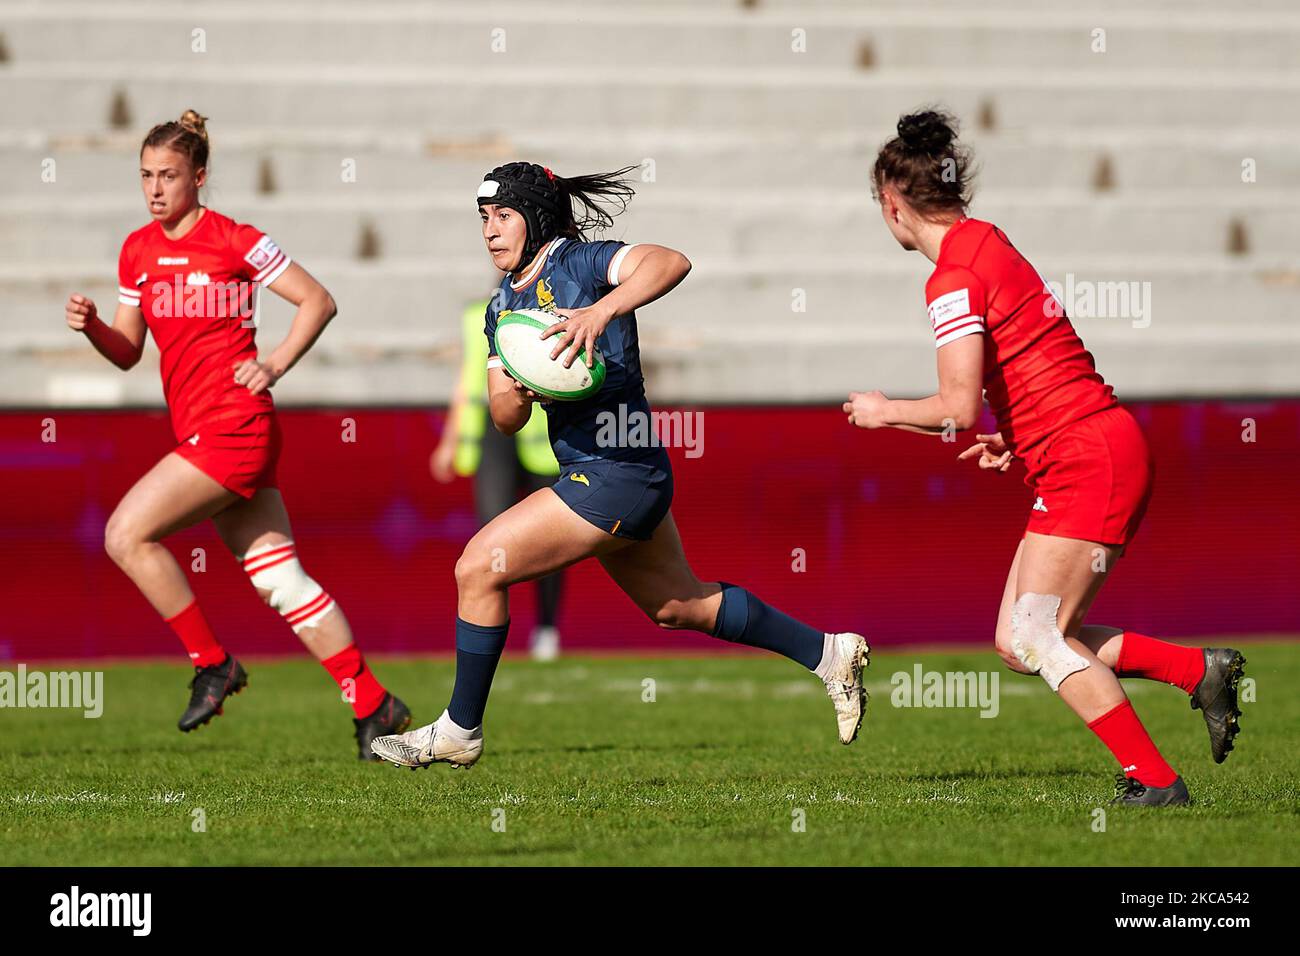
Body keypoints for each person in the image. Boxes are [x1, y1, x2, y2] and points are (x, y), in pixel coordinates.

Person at [372, 162, 868, 770]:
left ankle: (459, 730)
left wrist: (600, 312)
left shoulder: (578, 263)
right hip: (615, 472)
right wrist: (523, 389)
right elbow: (505, 418)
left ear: (535, 217)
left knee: (478, 567)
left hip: (617, 470)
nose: (490, 231)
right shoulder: (502, 307)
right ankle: (829, 653)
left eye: (503, 215)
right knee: (679, 606)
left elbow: (671, 262)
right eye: (483, 218)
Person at [844, 109, 1245, 806]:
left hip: (1087, 456)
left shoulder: (950, 279)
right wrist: (1020, 431)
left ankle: (1154, 782)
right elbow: (1032, 353)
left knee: (1036, 634)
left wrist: (885, 413)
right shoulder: (986, 240)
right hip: (1083, 446)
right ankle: (1196, 670)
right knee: (1018, 640)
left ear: (892, 204)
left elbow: (956, 405)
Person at [64, 110, 411, 759]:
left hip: (234, 429)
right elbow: (128, 351)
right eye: (145, 175)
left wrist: (275, 361)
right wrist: (92, 329)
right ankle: (373, 704)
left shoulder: (235, 240)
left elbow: (318, 300)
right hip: (204, 432)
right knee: (281, 581)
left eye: (168, 174)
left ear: (199, 177)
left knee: (125, 534)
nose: (155, 187)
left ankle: (212, 662)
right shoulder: (137, 250)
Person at [432, 299, 566, 661]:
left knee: (550, 544)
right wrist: (449, 440)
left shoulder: (553, 314)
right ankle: (491, 631)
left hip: (544, 441)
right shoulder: (477, 315)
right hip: (495, 436)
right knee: (490, 540)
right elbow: (468, 380)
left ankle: (547, 629)